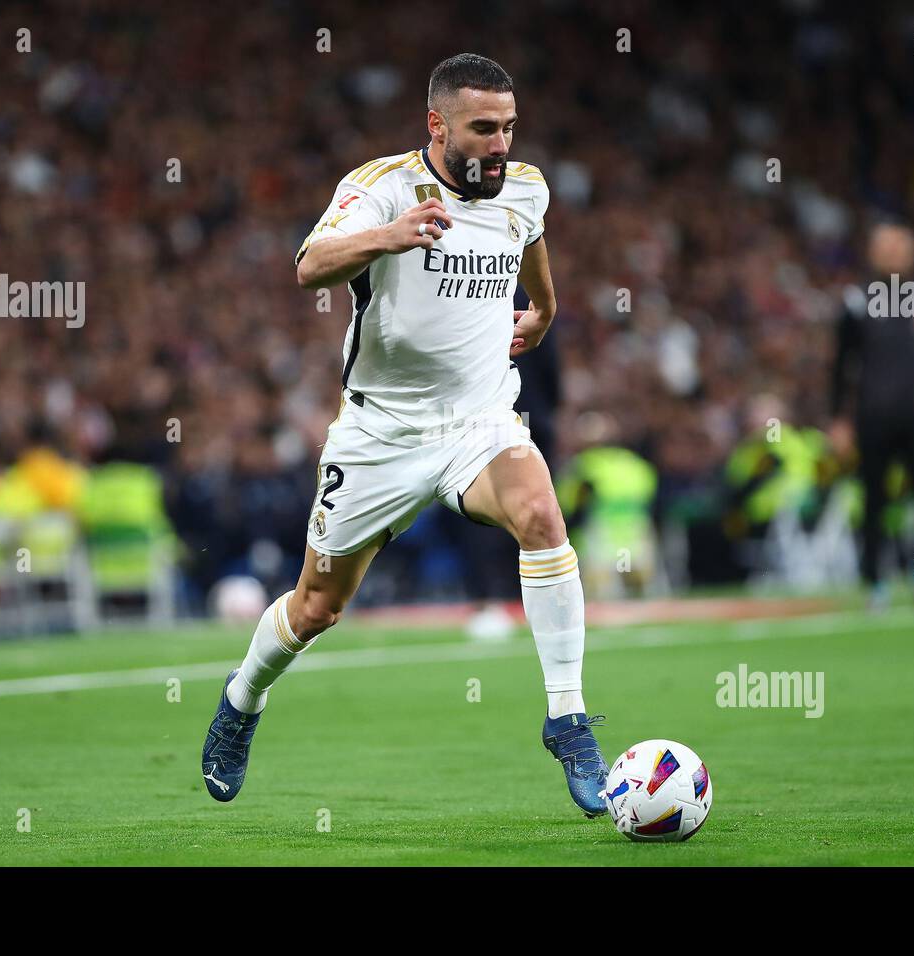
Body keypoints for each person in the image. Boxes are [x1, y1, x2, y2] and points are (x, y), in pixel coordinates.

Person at [199, 54, 609, 817]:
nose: (499, 144)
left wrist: (545, 308)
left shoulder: (524, 186)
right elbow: (308, 266)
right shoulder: (379, 185)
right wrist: (389, 236)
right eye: (483, 128)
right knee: (317, 606)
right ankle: (242, 700)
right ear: (438, 124)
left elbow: (532, 236)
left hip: (480, 420)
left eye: (508, 128)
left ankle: (568, 718)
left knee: (542, 516)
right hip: (381, 431)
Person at [830, 223, 914, 609]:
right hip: (874, 414)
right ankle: (875, 581)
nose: (895, 254)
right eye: (887, 247)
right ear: (873, 253)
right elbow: (840, 364)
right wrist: (838, 418)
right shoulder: (856, 299)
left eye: (901, 246)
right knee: (875, 501)